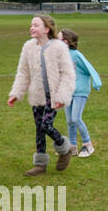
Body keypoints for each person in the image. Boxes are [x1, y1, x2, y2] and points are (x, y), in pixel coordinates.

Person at [8, 14, 77, 176]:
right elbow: (23, 73)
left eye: (36, 25)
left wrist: (62, 96)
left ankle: (64, 149)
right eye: (31, 25)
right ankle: (40, 165)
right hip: (36, 97)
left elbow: (68, 74)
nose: (32, 28)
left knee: (46, 125)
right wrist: (16, 93)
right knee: (39, 129)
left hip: (53, 97)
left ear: (47, 29)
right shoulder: (28, 47)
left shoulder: (59, 47)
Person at [59, 28, 101, 157]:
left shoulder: (76, 54)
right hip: (68, 92)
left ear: (65, 42)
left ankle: (88, 145)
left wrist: (96, 82)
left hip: (80, 91)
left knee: (76, 118)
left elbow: (89, 68)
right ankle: (72, 147)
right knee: (69, 121)